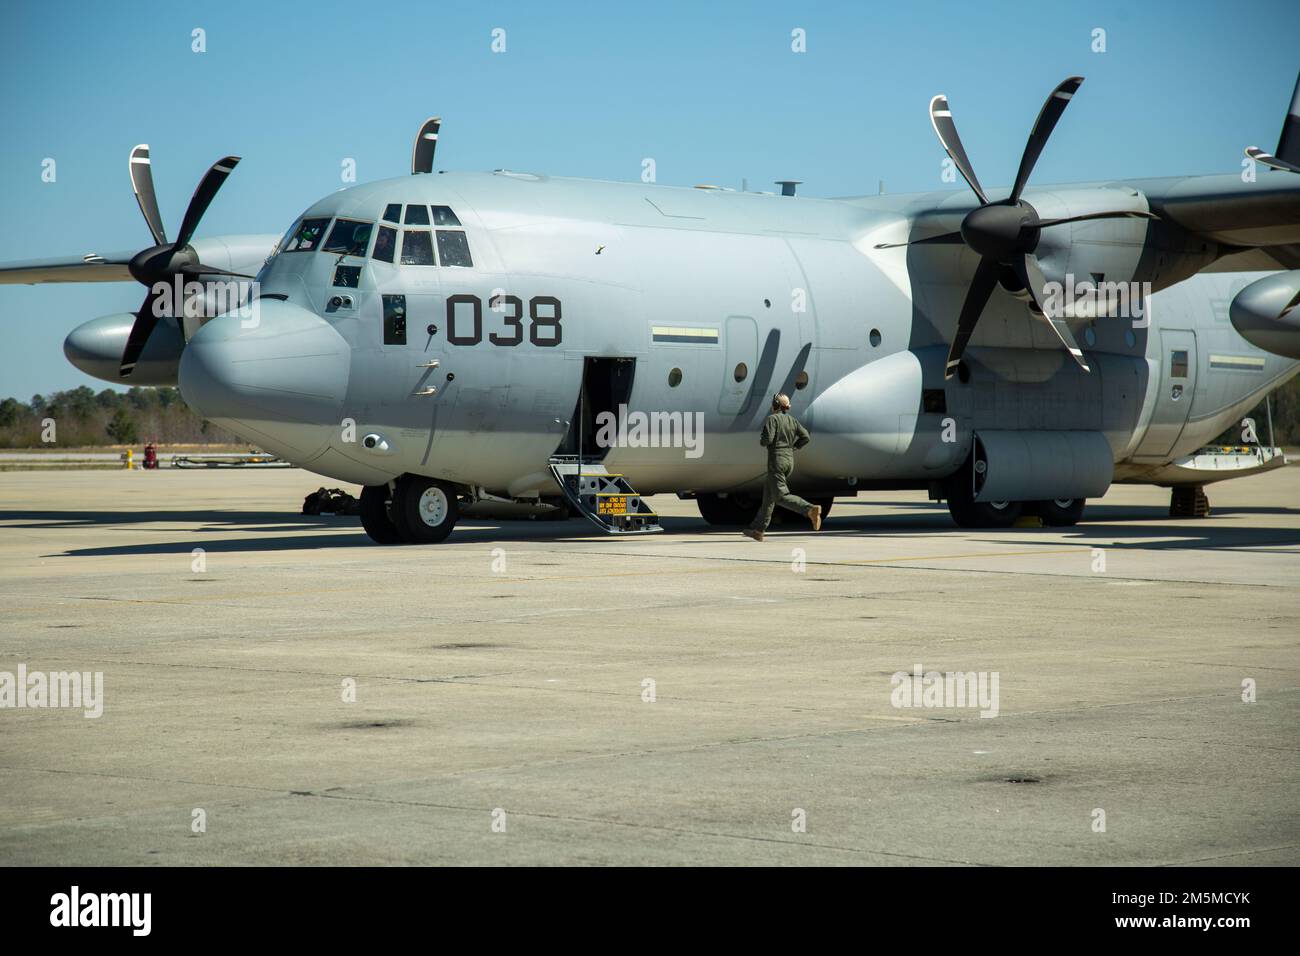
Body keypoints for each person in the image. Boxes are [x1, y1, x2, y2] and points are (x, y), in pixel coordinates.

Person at [743, 394, 821, 542]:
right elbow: (806, 437)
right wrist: (793, 447)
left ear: (775, 405)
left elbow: (767, 440)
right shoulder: (792, 420)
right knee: (768, 497)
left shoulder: (772, 419)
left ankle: (810, 510)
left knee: (780, 496)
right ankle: (758, 529)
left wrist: (763, 439)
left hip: (776, 461)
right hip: (789, 461)